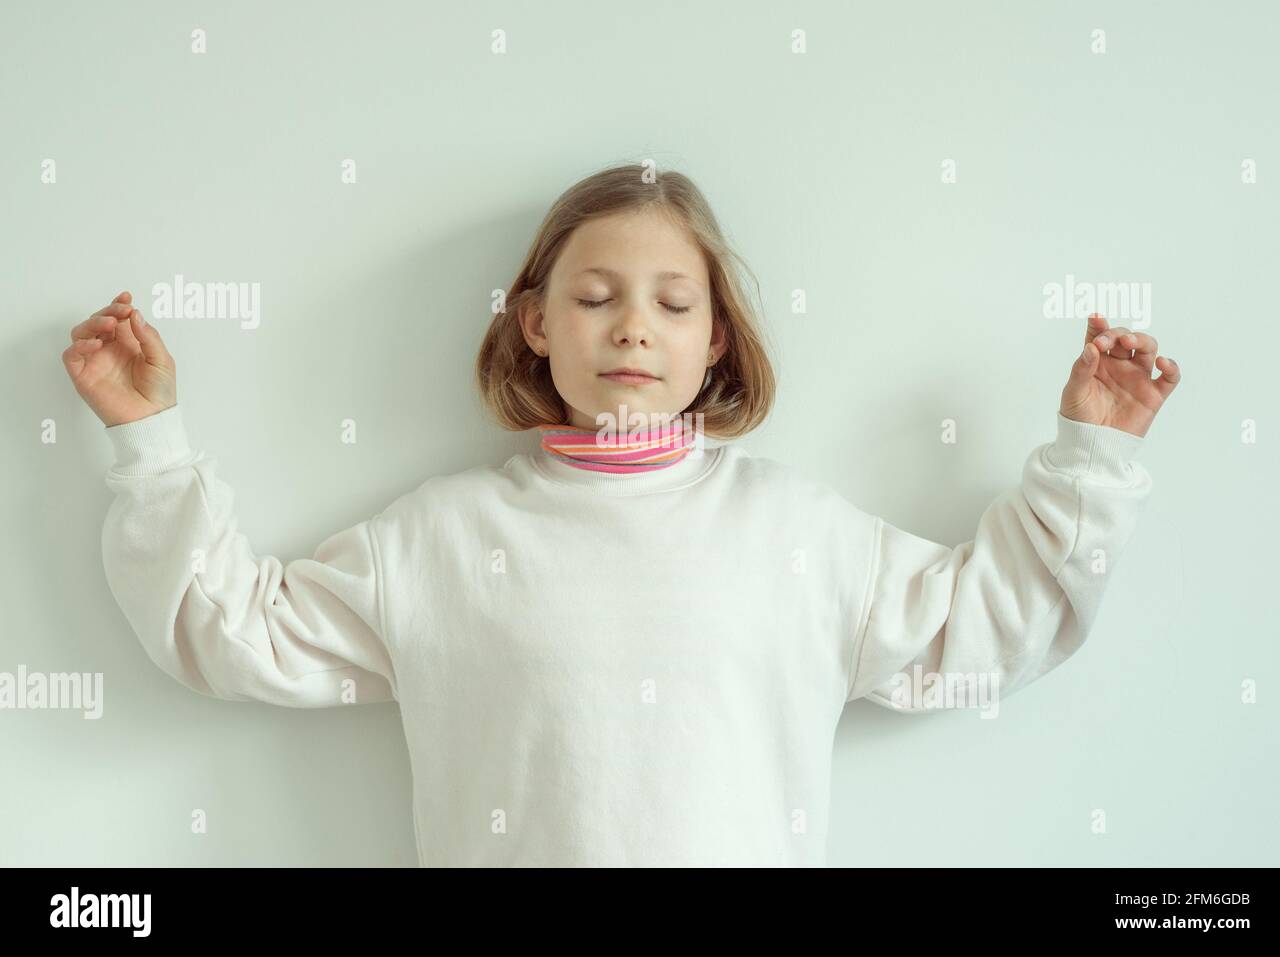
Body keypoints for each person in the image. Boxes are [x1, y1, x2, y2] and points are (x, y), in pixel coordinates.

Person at [63, 163, 1180, 866]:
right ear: (537, 324)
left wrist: (1093, 449)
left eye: (672, 303)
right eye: (595, 298)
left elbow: (987, 626)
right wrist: (145, 440)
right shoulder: (439, 539)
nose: (633, 328)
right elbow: (233, 634)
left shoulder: (798, 535)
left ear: (716, 342)